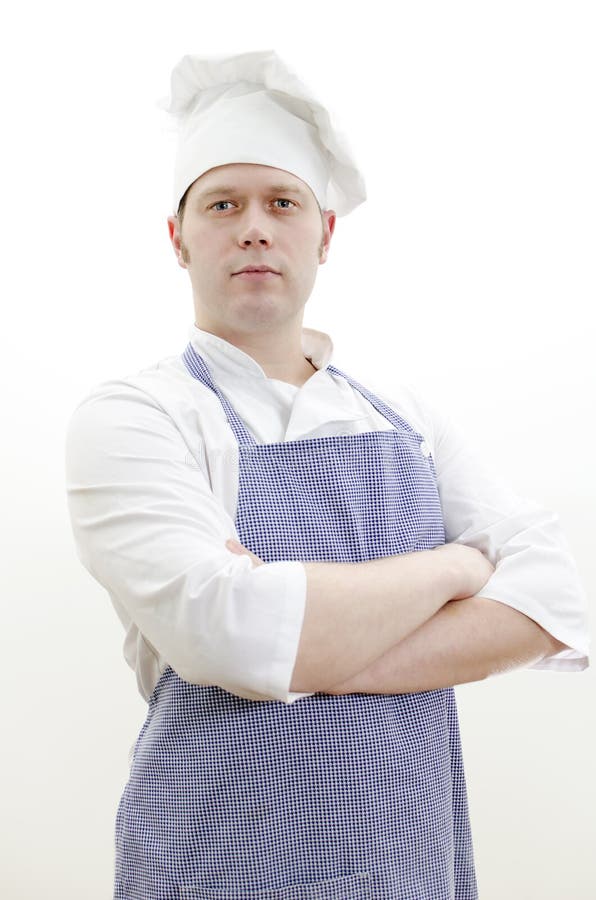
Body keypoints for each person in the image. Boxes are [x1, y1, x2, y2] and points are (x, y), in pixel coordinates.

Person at [64, 49, 590, 900]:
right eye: (222, 204)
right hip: (214, 862)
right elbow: (223, 631)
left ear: (325, 232)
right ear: (178, 237)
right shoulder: (136, 416)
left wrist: (296, 641)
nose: (255, 227)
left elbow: (553, 597)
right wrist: (459, 571)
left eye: (283, 202)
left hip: (406, 861)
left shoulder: (406, 418)